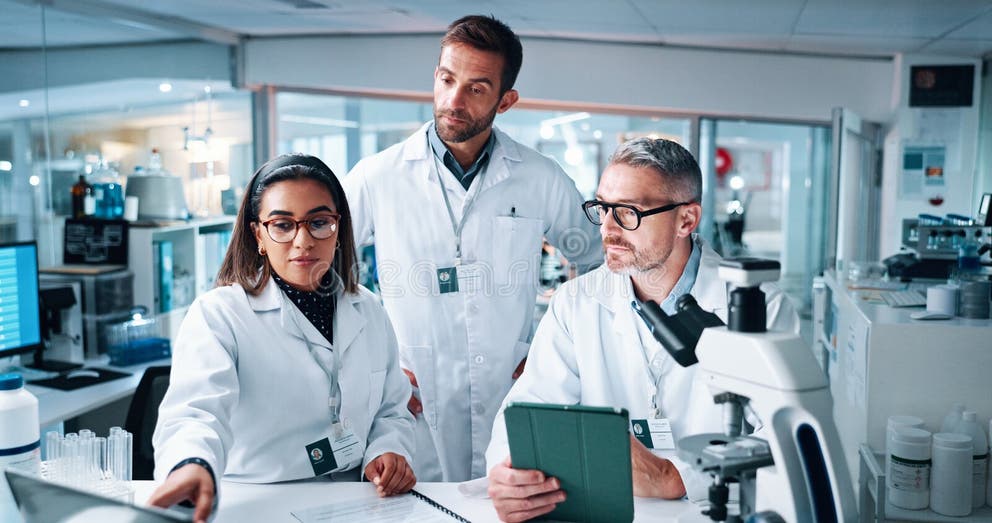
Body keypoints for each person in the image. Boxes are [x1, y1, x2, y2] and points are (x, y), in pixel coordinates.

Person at [342, 15, 602, 482]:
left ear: (506, 101)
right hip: (410, 398)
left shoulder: (540, 177)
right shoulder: (377, 176)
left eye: (476, 89)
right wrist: (371, 366)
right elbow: (321, 268)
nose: (453, 101)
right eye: (446, 79)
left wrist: (551, 347)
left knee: (504, 499)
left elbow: (600, 259)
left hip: (509, 387)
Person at [484, 138, 799, 522]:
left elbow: (788, 446)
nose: (608, 230)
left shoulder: (760, 308)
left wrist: (676, 478)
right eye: (602, 208)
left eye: (629, 212)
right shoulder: (576, 303)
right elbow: (526, 416)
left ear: (686, 219)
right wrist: (509, 474)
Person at [148, 154, 416, 523]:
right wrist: (192, 464)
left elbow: (392, 408)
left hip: (357, 500)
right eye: (282, 225)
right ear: (258, 234)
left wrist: (385, 450)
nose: (302, 240)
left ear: (338, 229)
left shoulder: (367, 308)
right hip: (259, 503)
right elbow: (195, 413)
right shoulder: (220, 314)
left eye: (319, 222)